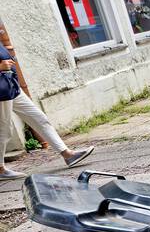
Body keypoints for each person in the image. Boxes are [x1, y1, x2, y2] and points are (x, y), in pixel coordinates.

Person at [0, 24, 93, 180]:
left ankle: (67, 154)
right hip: (2, 90)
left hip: (11, 85)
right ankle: (1, 169)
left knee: (38, 117)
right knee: (5, 129)